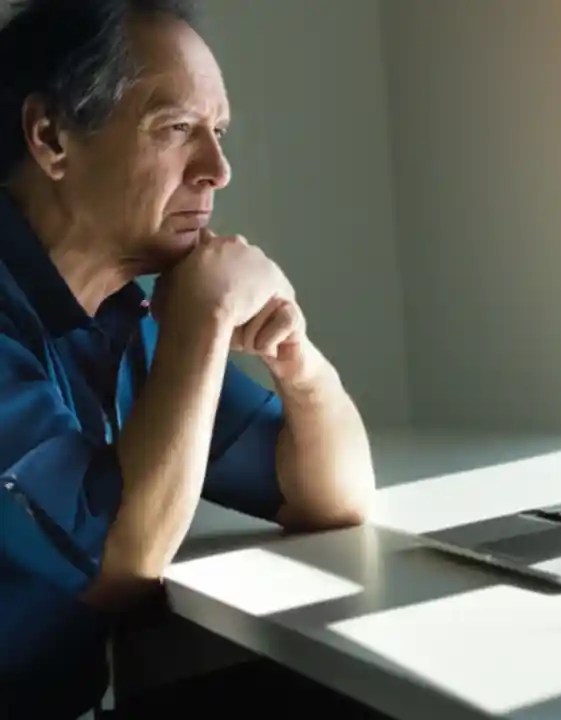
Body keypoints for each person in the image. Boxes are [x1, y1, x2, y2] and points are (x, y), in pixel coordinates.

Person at [0, 0, 377, 716]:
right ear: (51, 138)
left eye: (219, 132)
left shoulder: (118, 318)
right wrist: (204, 323)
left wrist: (298, 362)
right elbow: (119, 564)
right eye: (175, 129)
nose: (218, 169)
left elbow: (332, 497)